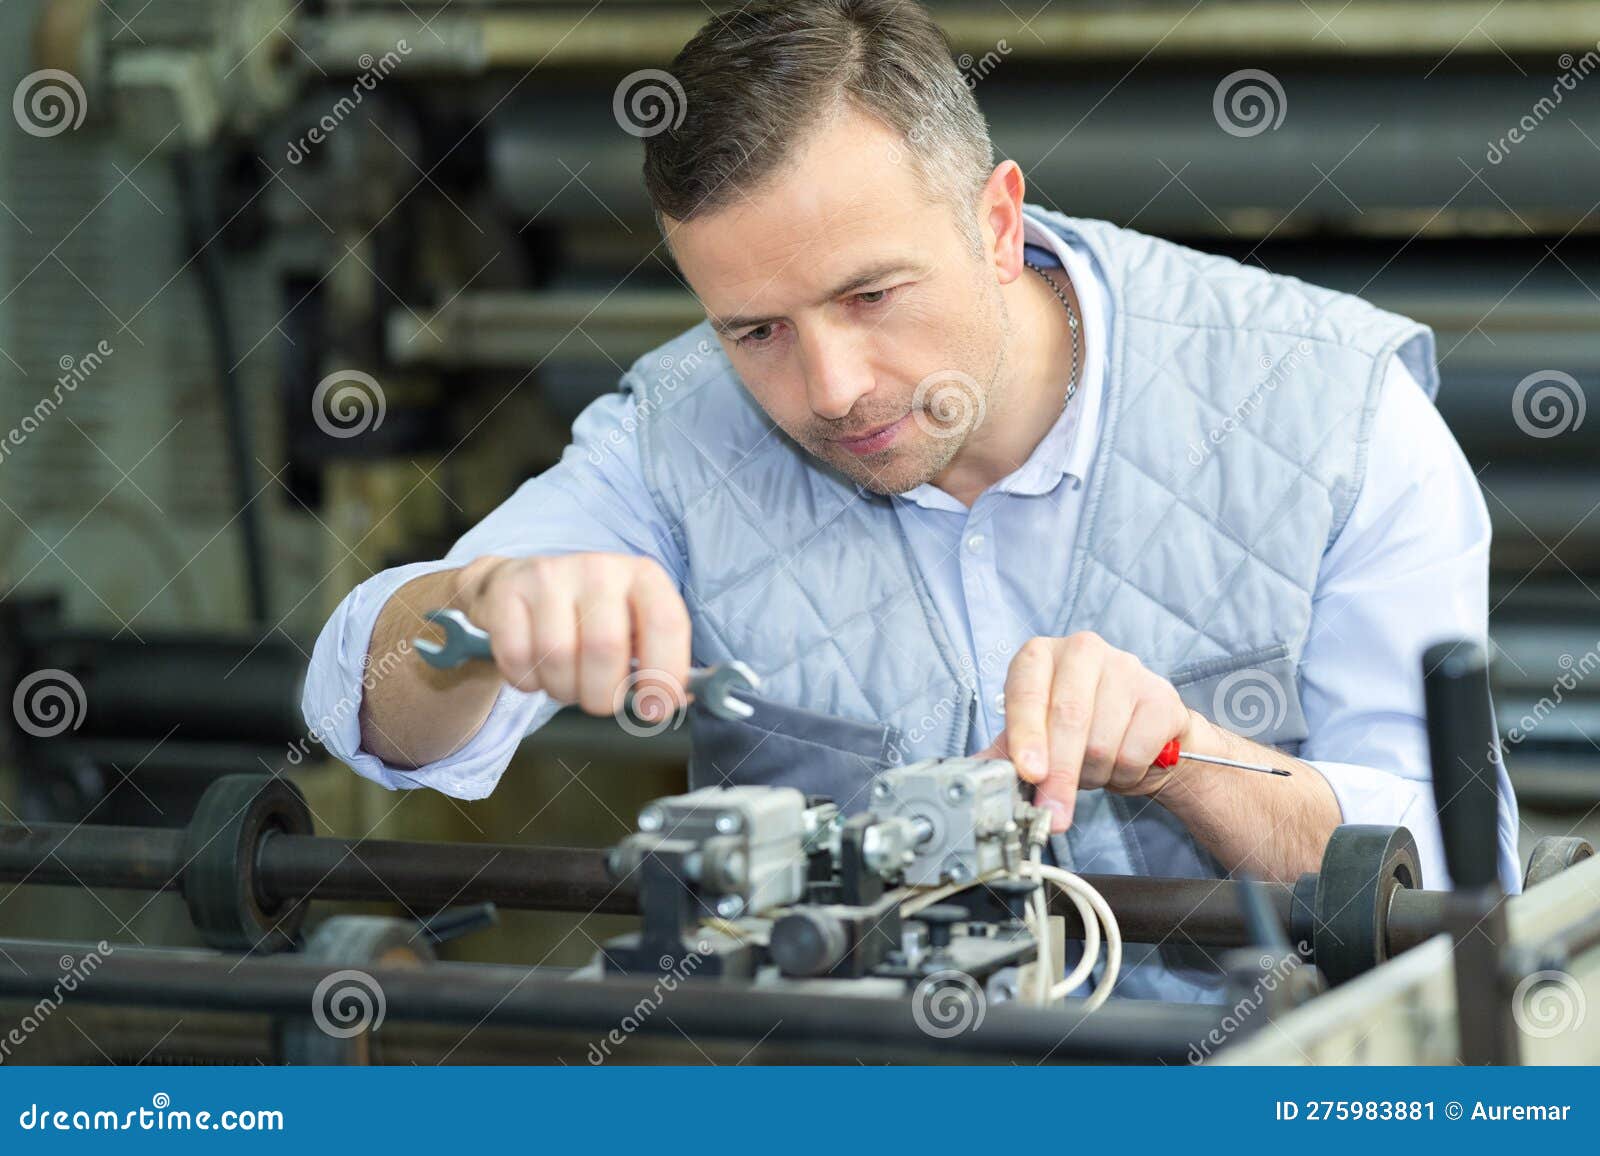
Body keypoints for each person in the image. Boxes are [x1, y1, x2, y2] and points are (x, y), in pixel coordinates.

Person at [303, 0, 1520, 1002]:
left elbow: (1459, 889)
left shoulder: (1334, 413)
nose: (829, 389)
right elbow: (375, 696)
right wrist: (475, 614)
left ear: (996, 221)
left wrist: (1185, 757)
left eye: (872, 296)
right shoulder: (674, 433)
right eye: (757, 329)